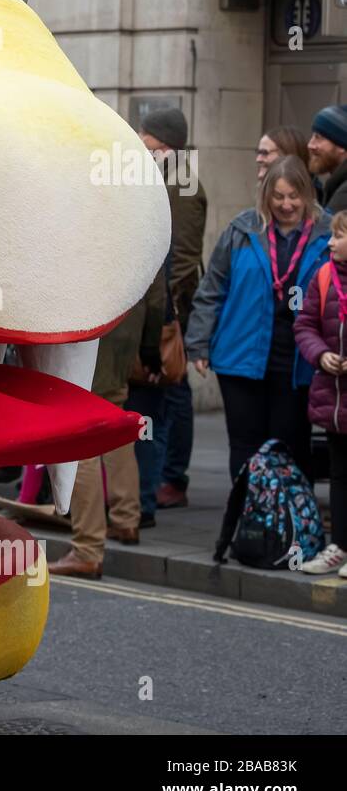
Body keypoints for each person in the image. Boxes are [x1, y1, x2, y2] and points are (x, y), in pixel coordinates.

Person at [187, 156, 329, 480]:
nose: (286, 205)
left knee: (288, 445)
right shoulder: (242, 229)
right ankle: (246, 519)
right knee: (244, 444)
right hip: (242, 355)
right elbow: (212, 288)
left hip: (297, 360)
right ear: (266, 195)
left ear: (307, 194)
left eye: (294, 196)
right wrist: (198, 344)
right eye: (278, 197)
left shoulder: (326, 235)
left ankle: (287, 522)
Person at [50, 267, 166, 578]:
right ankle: (126, 520)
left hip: (86, 329)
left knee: (81, 432)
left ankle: (87, 549)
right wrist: (150, 344)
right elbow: (157, 290)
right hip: (125, 329)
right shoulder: (141, 218)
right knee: (114, 421)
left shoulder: (82, 217)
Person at [135, 108, 207, 513]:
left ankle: (173, 477)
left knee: (174, 390)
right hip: (163, 305)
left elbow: (181, 254)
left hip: (171, 310)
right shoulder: (167, 177)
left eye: (147, 146)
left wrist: (170, 309)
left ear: (167, 147)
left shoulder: (182, 183)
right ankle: (164, 475)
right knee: (168, 393)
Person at [293, 210, 347, 575]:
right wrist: (320, 354)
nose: (330, 242)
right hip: (334, 402)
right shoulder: (324, 276)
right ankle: (339, 546)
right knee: (340, 477)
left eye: (339, 236)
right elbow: (305, 324)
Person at [311, 105, 347, 214]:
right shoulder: (335, 184)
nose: (310, 145)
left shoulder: (343, 194)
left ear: (342, 146)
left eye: (318, 138)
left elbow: (326, 229)